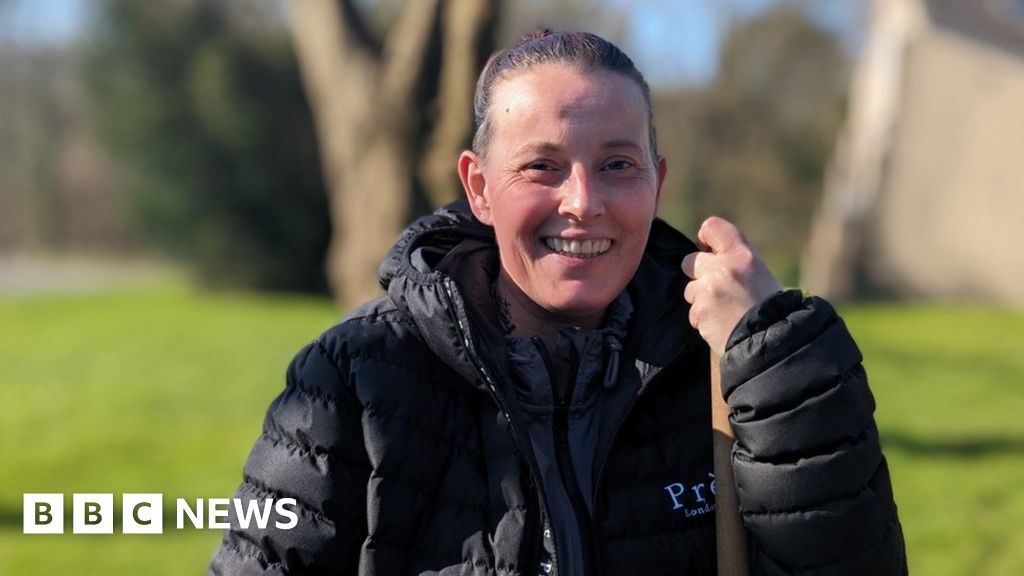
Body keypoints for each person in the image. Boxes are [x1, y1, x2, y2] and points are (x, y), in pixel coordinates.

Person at [210, 30, 906, 575]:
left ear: (656, 183)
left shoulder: (732, 369)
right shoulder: (355, 377)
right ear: (478, 187)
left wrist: (775, 364)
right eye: (541, 166)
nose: (583, 203)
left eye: (617, 165)